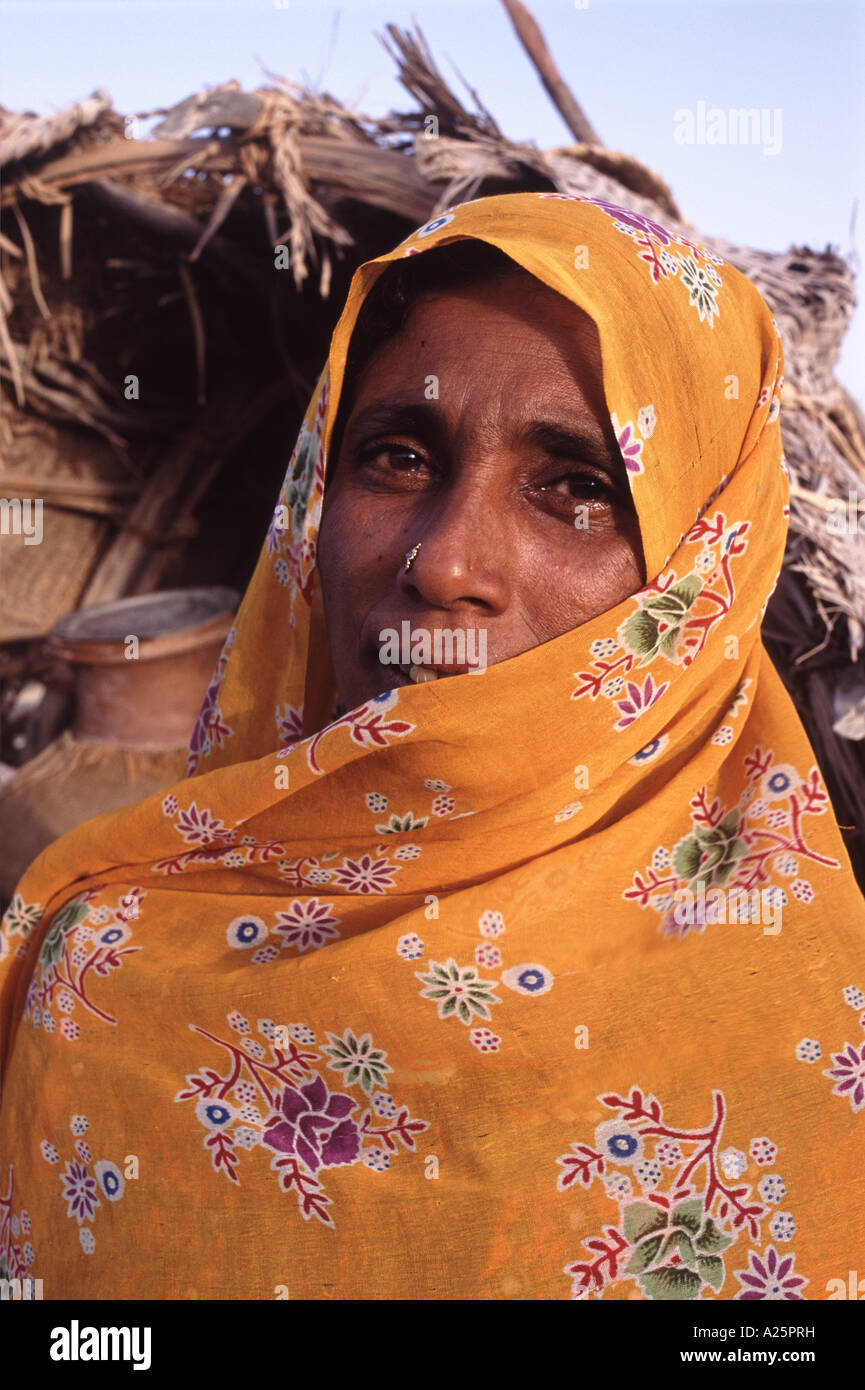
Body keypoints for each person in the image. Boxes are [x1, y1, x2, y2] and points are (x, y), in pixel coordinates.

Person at [1, 192, 863, 1302]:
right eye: (399, 457)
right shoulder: (107, 976)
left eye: (578, 489)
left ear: (703, 575)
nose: (445, 560)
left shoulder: (814, 1036)